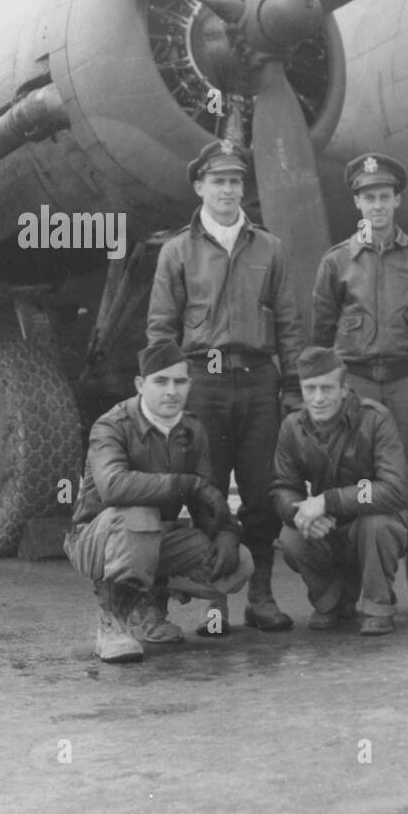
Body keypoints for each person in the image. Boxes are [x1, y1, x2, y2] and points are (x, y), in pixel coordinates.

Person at [146, 139, 305, 635]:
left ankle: (260, 595)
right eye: (218, 181)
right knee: (207, 492)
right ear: (199, 186)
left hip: (259, 381)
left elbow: (291, 324)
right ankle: (216, 601)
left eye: (236, 181)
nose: (228, 190)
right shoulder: (177, 251)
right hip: (204, 381)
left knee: (262, 491)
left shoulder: (270, 248)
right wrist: (166, 394)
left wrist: (294, 389)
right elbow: (160, 330)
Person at [312, 153, 408, 614]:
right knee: (355, 477)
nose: (378, 205)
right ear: (357, 202)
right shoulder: (337, 262)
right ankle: (353, 592)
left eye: (385, 197)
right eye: (369, 197)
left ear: (397, 200)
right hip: (355, 382)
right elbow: (322, 329)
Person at [65, 341, 253, 663]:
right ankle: (112, 623)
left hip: (152, 536)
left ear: (190, 385)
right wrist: (185, 483)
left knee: (240, 562)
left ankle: (148, 608)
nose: (171, 391)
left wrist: (226, 533)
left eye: (180, 382)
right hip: (98, 538)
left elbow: (205, 500)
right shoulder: (111, 425)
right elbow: (113, 487)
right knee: (140, 516)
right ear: (141, 385)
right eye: (161, 381)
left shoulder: (192, 430)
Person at [271, 347, 408, 636]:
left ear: (344, 389)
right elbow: (283, 487)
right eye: (310, 389)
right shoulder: (292, 426)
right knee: (291, 535)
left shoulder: (375, 418)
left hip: (369, 523)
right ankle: (332, 601)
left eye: (327, 388)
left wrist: (327, 501)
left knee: (377, 524)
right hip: (331, 528)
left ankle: (378, 606)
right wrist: (299, 511)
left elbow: (395, 489)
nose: (318, 398)